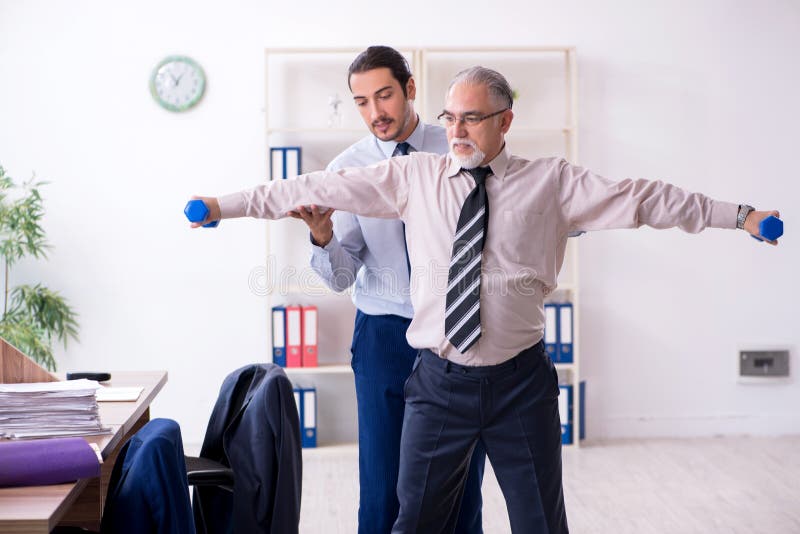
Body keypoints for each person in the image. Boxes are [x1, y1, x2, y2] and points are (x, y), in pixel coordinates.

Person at [189, 66, 779, 534]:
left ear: (506, 121)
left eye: (474, 119)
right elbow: (310, 187)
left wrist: (741, 216)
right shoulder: (413, 177)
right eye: (451, 118)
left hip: (521, 387)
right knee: (414, 521)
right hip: (439, 386)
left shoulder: (551, 182)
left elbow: (647, 199)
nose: (459, 131)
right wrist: (222, 206)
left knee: (541, 522)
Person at [285, 46, 485, 534]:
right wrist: (323, 237)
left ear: (410, 90)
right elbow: (340, 276)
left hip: (454, 331)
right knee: (382, 488)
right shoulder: (346, 170)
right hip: (383, 336)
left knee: (459, 486)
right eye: (362, 102)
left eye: (384, 95)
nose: (376, 112)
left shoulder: (456, 147)